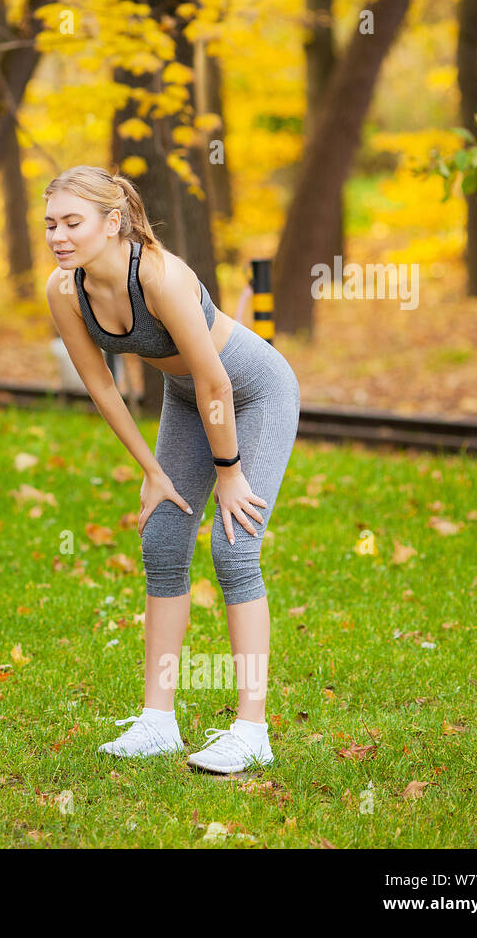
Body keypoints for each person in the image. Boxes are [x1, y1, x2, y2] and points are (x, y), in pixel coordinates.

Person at [43, 166, 300, 775]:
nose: (58, 235)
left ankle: (252, 730)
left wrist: (229, 472)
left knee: (235, 550)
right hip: (188, 401)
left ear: (113, 223)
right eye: (50, 223)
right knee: (161, 539)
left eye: (72, 222)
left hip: (253, 393)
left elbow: (217, 378)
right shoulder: (63, 289)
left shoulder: (158, 275)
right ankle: (158, 722)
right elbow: (103, 388)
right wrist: (152, 470)